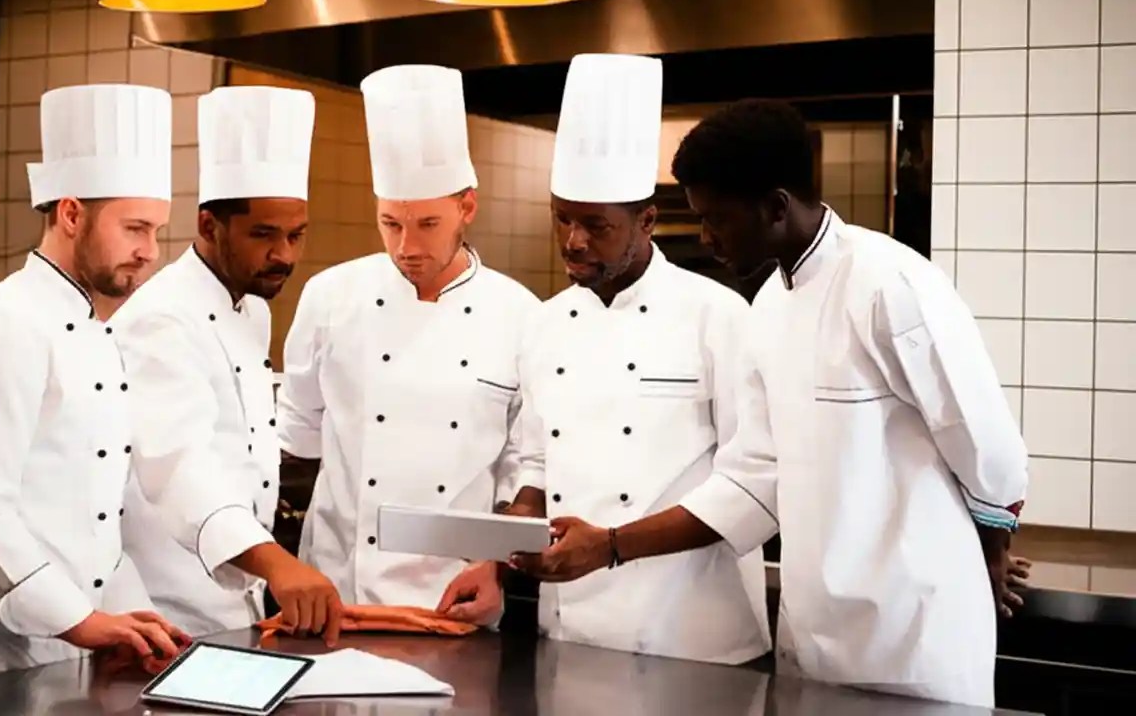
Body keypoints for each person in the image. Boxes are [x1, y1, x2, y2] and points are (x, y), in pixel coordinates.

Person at [667, 99, 1028, 706]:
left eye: (717, 219)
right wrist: (615, 544)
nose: (707, 238)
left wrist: (991, 549)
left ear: (776, 206)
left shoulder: (890, 283)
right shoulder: (768, 307)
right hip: (816, 634)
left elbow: (983, 439)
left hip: (911, 634)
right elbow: (757, 471)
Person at [440, 54, 770, 664]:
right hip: (573, 635)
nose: (573, 241)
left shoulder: (719, 316)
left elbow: (753, 482)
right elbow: (535, 466)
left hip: (693, 639)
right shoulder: (544, 324)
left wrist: (610, 545)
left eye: (596, 225)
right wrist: (495, 561)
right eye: (562, 219)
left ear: (646, 221)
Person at [0, 84, 187, 679]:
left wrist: (132, 617)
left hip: (64, 659)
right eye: (136, 228)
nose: (151, 252)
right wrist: (82, 622)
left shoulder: (96, 332)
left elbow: (94, 519)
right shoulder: (0, 327)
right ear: (70, 214)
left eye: (156, 232)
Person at [274, 64, 539, 621]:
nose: (406, 247)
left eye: (427, 224)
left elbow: (524, 467)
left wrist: (497, 567)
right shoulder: (330, 297)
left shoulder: (521, 315)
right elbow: (297, 436)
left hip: (458, 595)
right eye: (390, 223)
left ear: (467, 207)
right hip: (336, 591)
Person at [112, 86, 341, 641]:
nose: (284, 255)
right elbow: (177, 464)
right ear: (209, 227)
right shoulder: (160, 317)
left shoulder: (252, 309)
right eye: (264, 235)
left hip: (234, 605)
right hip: (164, 612)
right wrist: (276, 562)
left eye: (296, 235)